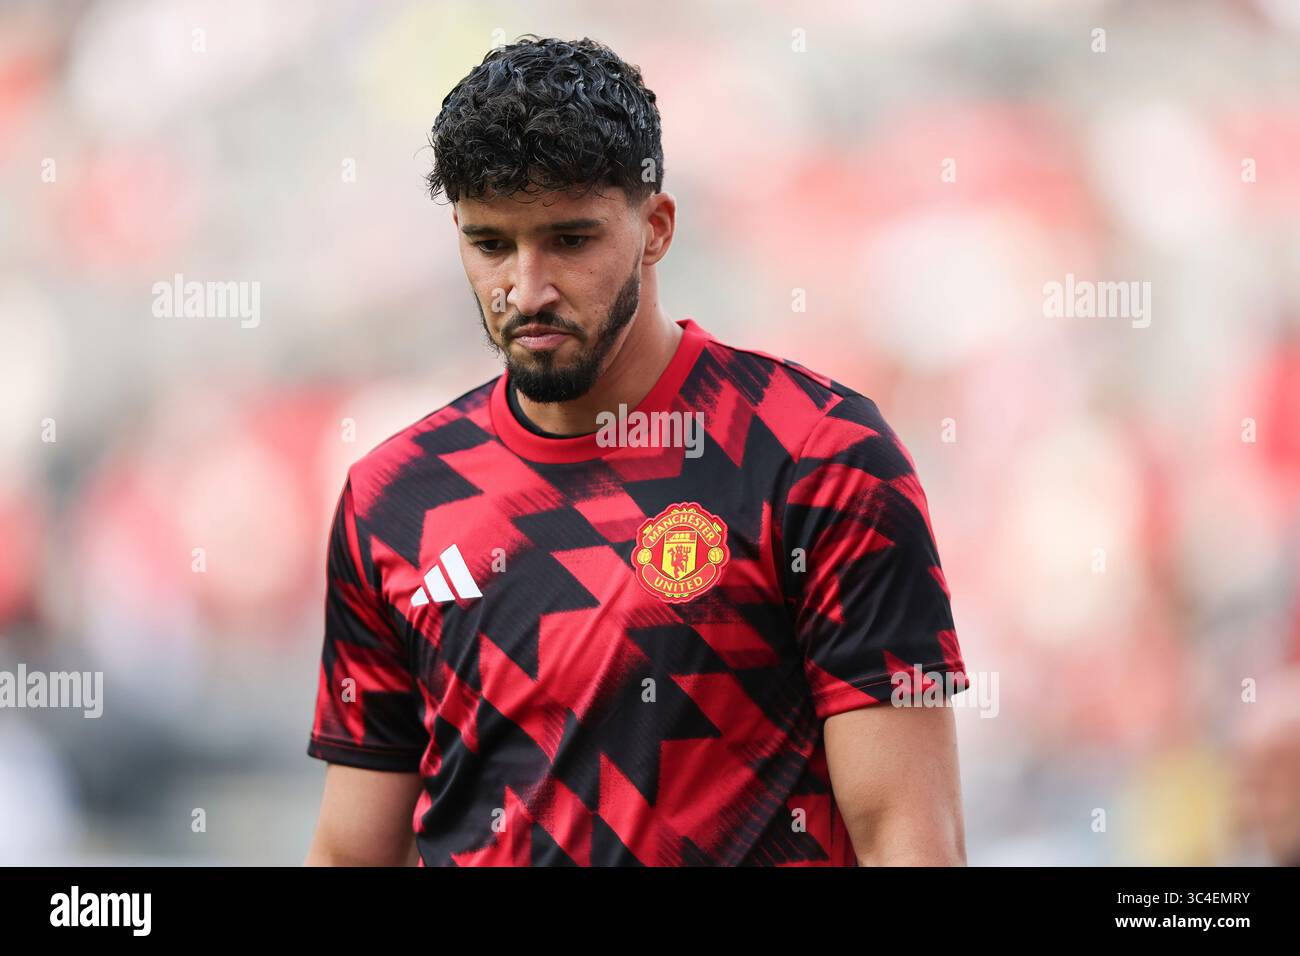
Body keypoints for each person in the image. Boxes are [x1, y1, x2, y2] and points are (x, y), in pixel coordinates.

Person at [304, 35, 969, 866]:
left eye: (571, 241)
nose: (528, 288)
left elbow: (908, 838)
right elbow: (350, 852)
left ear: (655, 229)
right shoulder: (393, 497)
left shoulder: (820, 457)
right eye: (492, 245)